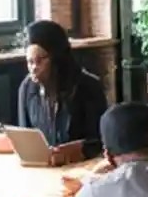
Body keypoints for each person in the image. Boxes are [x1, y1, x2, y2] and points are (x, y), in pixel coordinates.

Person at [18, 20, 107, 157]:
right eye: (30, 62)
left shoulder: (88, 87)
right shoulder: (27, 88)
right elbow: (25, 136)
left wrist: (74, 150)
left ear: (57, 58)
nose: (34, 68)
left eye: (40, 60)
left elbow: (100, 141)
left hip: (81, 166)